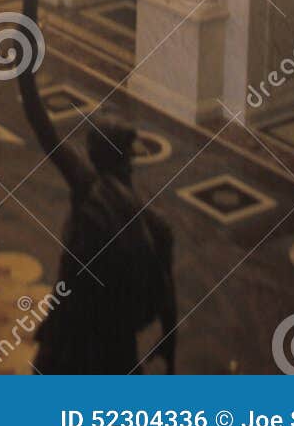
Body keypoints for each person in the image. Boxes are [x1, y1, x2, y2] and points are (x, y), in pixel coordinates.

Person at [17, 44, 177, 373]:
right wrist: (169, 342)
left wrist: (25, 55)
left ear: (97, 156)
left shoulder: (88, 187)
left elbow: (40, 121)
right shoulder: (155, 225)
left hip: (72, 337)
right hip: (115, 346)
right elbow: (165, 291)